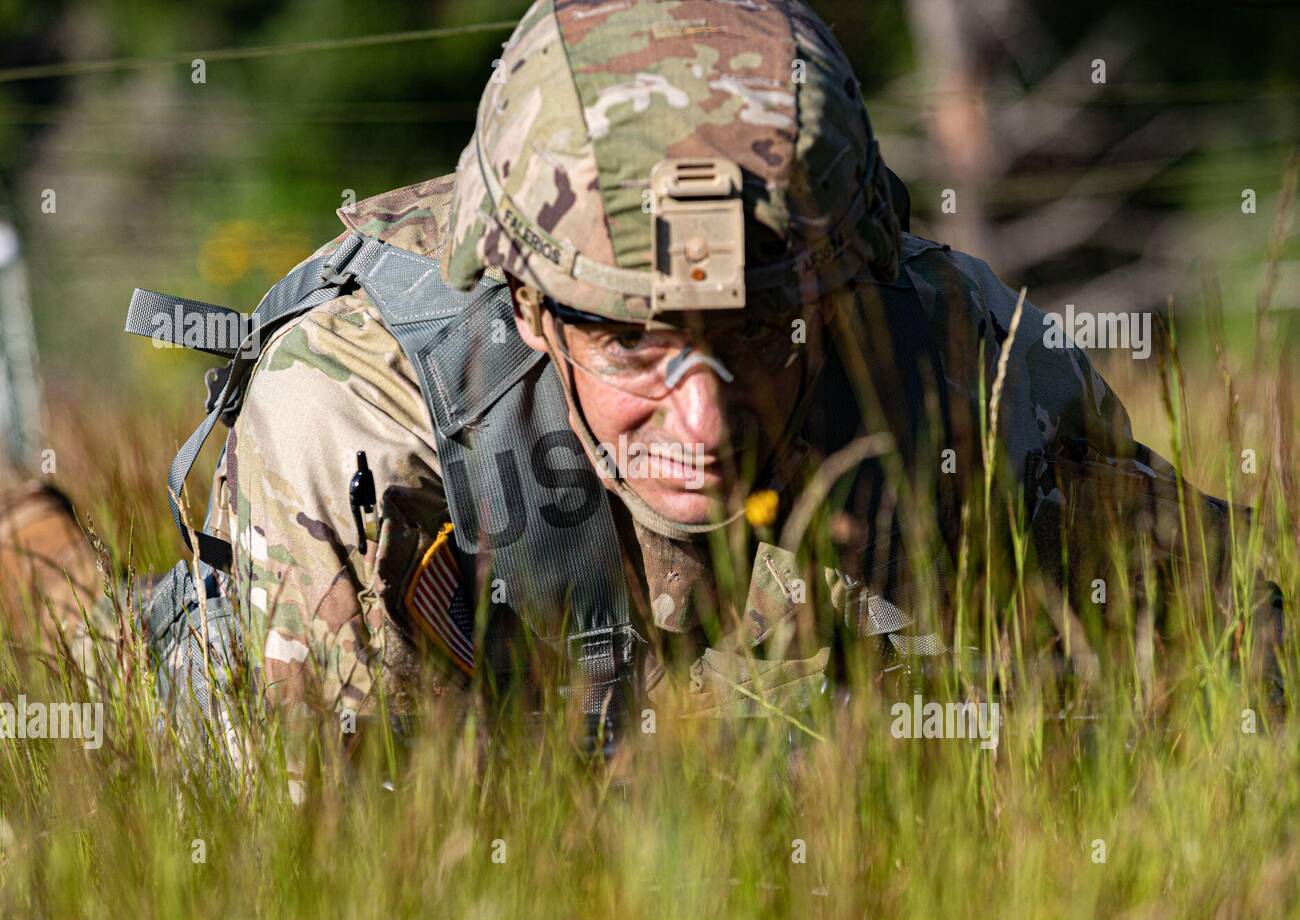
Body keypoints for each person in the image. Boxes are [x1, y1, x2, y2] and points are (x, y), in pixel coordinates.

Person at [32, 0, 1285, 766]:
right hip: (333, 693)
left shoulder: (962, 357)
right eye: (632, 342)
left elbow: (1240, 654)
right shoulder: (359, 421)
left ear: (841, 288)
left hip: (707, 700)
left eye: (755, 332)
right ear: (526, 305)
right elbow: (340, 858)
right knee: (108, 657)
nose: (703, 418)